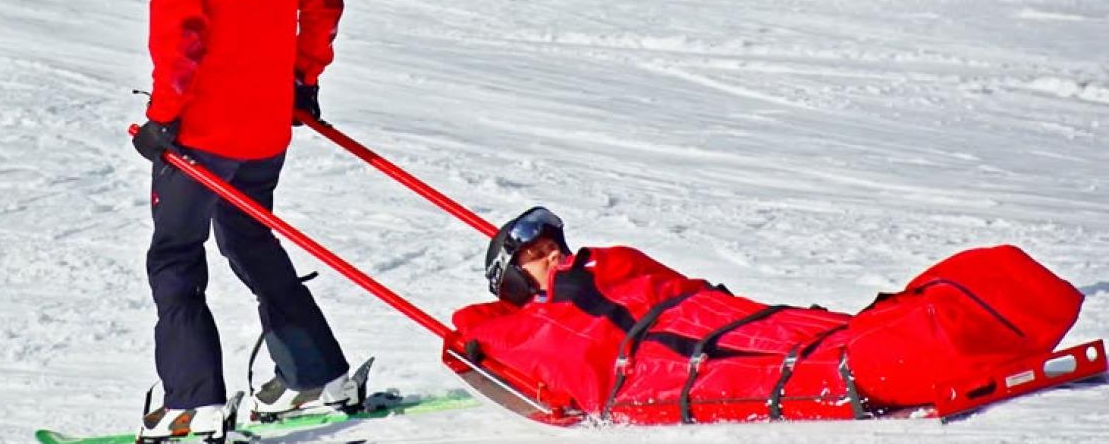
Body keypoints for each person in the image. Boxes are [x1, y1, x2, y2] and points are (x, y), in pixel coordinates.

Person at [131, 0, 353, 440]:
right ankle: (315, 372)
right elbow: (323, 4)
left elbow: (179, 44)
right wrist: (302, 78)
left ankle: (193, 402)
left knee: (174, 255)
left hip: (200, 137)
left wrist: (161, 120)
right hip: (264, 127)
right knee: (250, 237)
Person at [454, 207, 1085, 423]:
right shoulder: (540, 326)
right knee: (826, 363)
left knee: (823, 335)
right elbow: (501, 348)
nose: (555, 258)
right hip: (662, 361)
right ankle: (942, 340)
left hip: (709, 318)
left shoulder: (606, 269)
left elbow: (667, 289)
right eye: (535, 259)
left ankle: (978, 312)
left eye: (553, 246)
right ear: (514, 285)